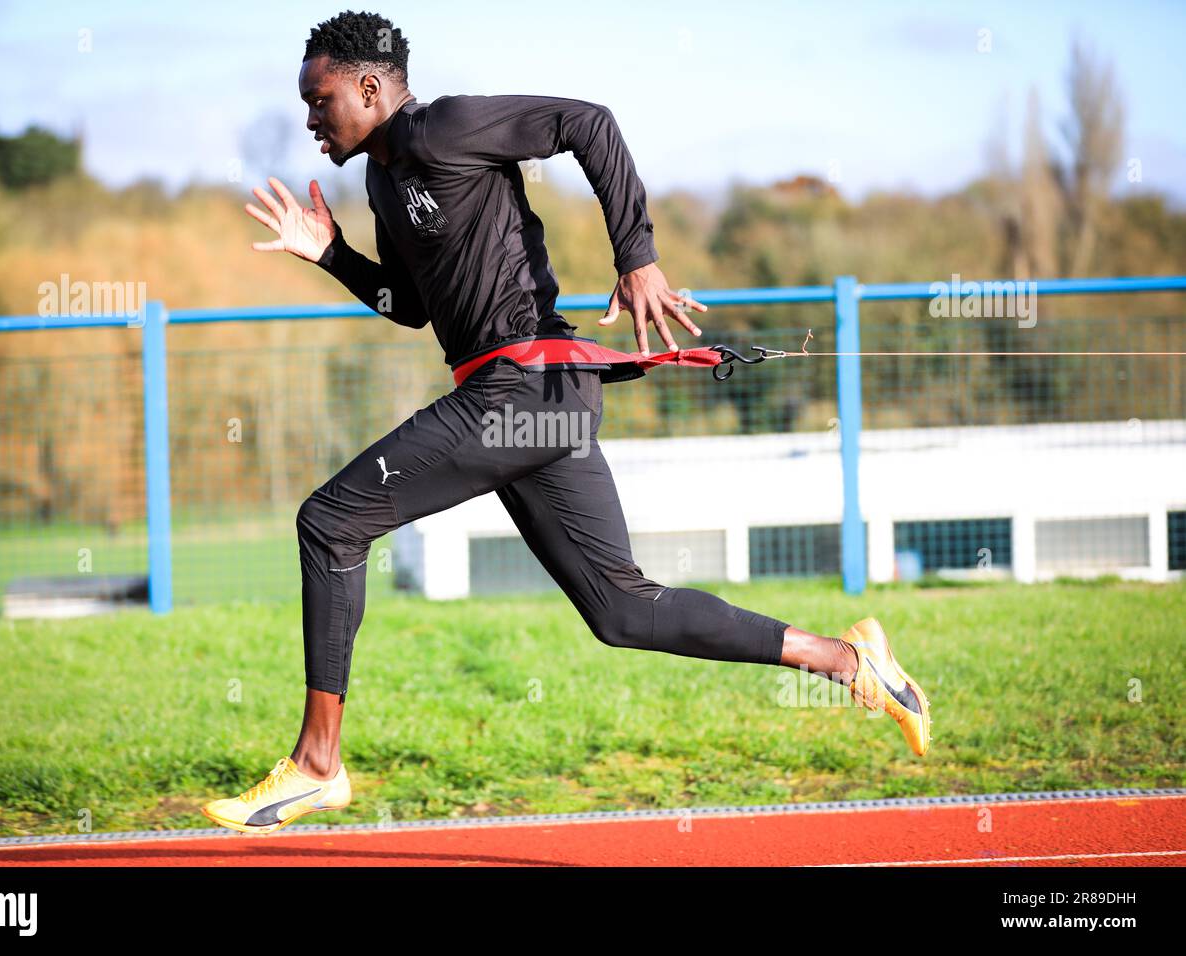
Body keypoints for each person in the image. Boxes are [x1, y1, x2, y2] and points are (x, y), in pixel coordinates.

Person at [201, 10, 930, 835]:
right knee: (622, 611)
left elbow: (591, 123)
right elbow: (410, 308)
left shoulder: (446, 127)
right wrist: (332, 254)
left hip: (522, 392)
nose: (308, 119)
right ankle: (848, 659)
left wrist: (638, 256)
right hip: (532, 405)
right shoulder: (381, 181)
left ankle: (317, 764)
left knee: (331, 521)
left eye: (319, 98)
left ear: (370, 87)